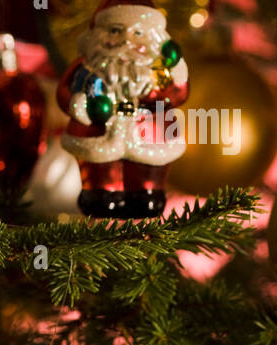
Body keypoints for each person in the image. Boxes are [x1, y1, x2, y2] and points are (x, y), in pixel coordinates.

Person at [57, 0, 189, 218]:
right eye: (115, 31)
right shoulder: (86, 67)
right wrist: (76, 103)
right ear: (97, 36)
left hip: (150, 132)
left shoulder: (161, 70)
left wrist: (174, 76)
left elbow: (179, 93)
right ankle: (99, 193)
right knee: (99, 173)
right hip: (97, 133)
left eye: (138, 33)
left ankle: (147, 193)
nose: (126, 40)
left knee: (148, 171)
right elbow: (64, 91)